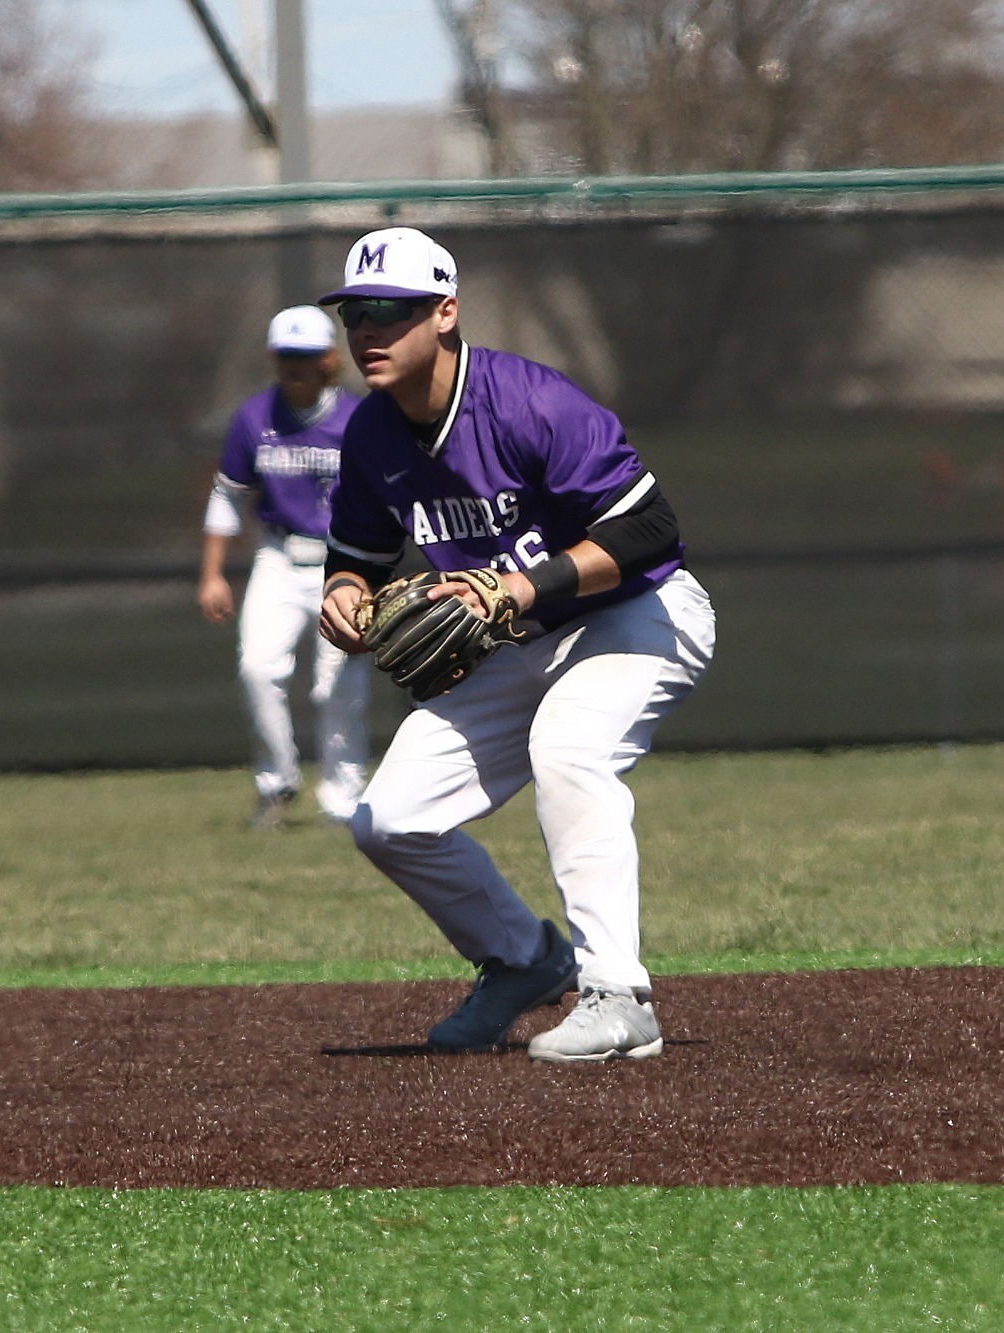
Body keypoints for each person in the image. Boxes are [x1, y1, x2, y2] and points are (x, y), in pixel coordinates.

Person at [316, 227, 716, 1063]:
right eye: (355, 314)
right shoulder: (371, 434)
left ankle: (620, 995)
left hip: (637, 613)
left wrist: (522, 586)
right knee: (389, 820)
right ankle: (523, 960)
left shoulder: (530, 401)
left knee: (569, 749)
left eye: (390, 310)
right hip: (521, 640)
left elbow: (650, 528)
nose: (368, 331)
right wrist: (344, 592)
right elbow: (358, 551)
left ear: (446, 312)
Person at [200, 305, 370, 831]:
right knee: (257, 668)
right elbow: (228, 497)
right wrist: (212, 574)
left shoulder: (358, 418)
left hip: (346, 560)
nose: (296, 366)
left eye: (306, 355)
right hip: (277, 557)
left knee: (338, 686)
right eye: (286, 355)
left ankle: (344, 800)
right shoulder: (255, 418)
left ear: (329, 360)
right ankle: (276, 783)